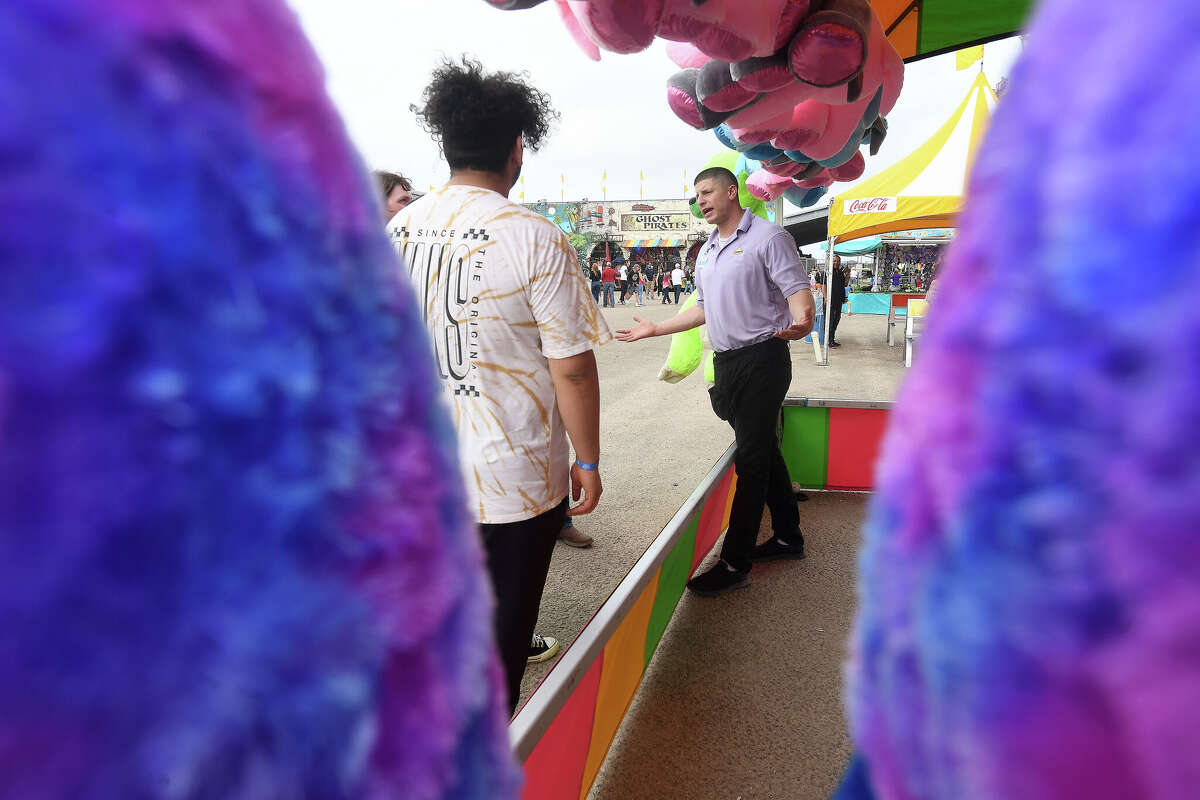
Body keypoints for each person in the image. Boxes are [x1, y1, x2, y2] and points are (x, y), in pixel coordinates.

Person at [392, 57, 609, 711]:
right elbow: (571, 364)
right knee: (496, 645)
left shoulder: (397, 230)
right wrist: (589, 458)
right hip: (511, 484)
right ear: (518, 149)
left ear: (446, 144)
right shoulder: (534, 237)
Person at [616, 167, 814, 596]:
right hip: (728, 364)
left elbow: (797, 288)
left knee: (753, 460)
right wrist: (657, 328)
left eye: (707, 192)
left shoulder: (768, 237)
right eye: (696, 196)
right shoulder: (708, 250)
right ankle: (787, 537)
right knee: (761, 449)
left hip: (763, 359)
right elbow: (703, 308)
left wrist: (804, 318)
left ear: (731, 191)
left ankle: (734, 560)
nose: (701, 201)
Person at [829, 255, 847, 348]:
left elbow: (843, 285)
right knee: (831, 320)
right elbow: (824, 285)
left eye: (838, 261)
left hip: (839, 300)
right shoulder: (828, 272)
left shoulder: (840, 273)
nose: (836, 263)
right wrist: (826, 298)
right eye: (834, 261)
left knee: (837, 318)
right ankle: (829, 340)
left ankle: (832, 338)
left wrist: (844, 298)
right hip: (831, 300)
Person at [806, 273, 826, 346]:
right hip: (817, 314)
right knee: (818, 327)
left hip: (816, 314)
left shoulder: (816, 294)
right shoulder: (818, 294)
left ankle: (818, 339)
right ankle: (819, 339)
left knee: (817, 327)